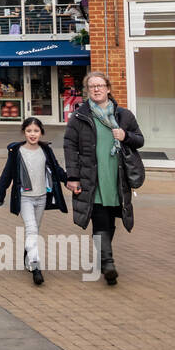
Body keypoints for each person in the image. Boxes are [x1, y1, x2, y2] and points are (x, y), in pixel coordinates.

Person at [64, 71, 144, 285]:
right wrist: (72, 176)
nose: (96, 89)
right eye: (92, 86)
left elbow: (140, 140)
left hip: (116, 176)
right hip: (92, 176)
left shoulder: (124, 116)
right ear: (87, 91)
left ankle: (103, 257)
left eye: (100, 85)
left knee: (110, 219)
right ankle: (108, 263)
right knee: (99, 217)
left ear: (108, 88)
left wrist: (125, 136)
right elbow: (69, 146)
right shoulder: (80, 116)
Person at [0, 116, 68, 286]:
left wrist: (69, 181)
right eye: (29, 131)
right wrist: (0, 195)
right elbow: (7, 174)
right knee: (32, 228)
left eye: (36, 131)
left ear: (41, 132)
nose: (32, 134)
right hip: (25, 198)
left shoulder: (45, 150)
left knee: (35, 230)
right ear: (24, 133)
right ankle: (36, 268)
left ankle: (28, 255)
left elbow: (56, 169)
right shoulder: (17, 152)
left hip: (42, 198)